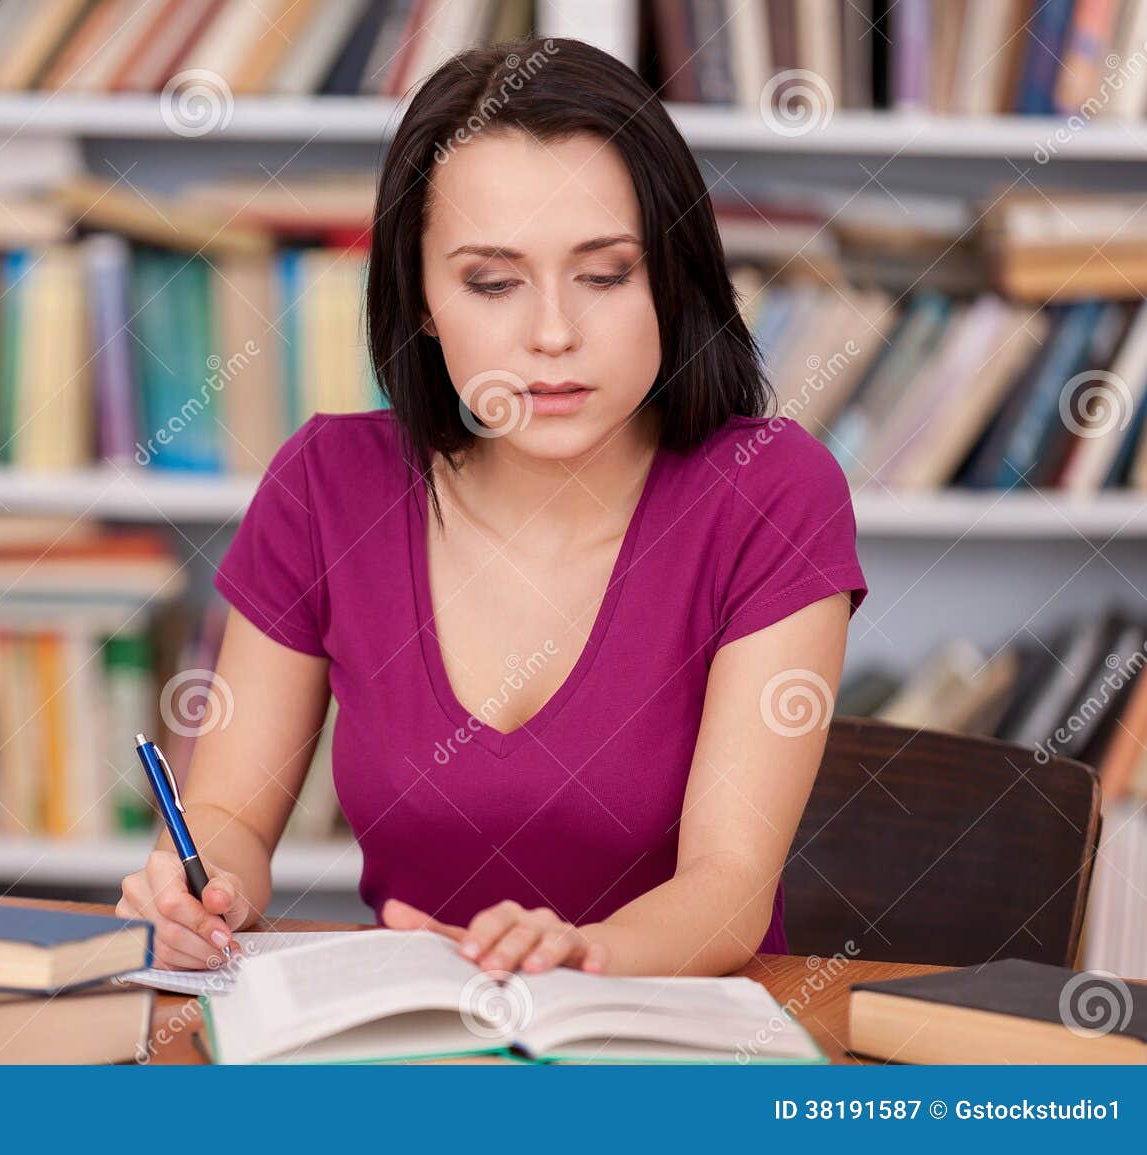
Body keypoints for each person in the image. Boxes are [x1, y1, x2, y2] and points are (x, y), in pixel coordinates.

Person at [117, 36, 867, 977]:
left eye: (604, 274)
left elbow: (728, 885)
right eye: (492, 282)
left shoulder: (769, 490)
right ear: (423, 298)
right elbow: (228, 814)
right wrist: (199, 889)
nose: (553, 333)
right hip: (415, 1057)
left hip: (670, 1055)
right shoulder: (325, 486)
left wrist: (581, 956)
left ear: (671, 279)